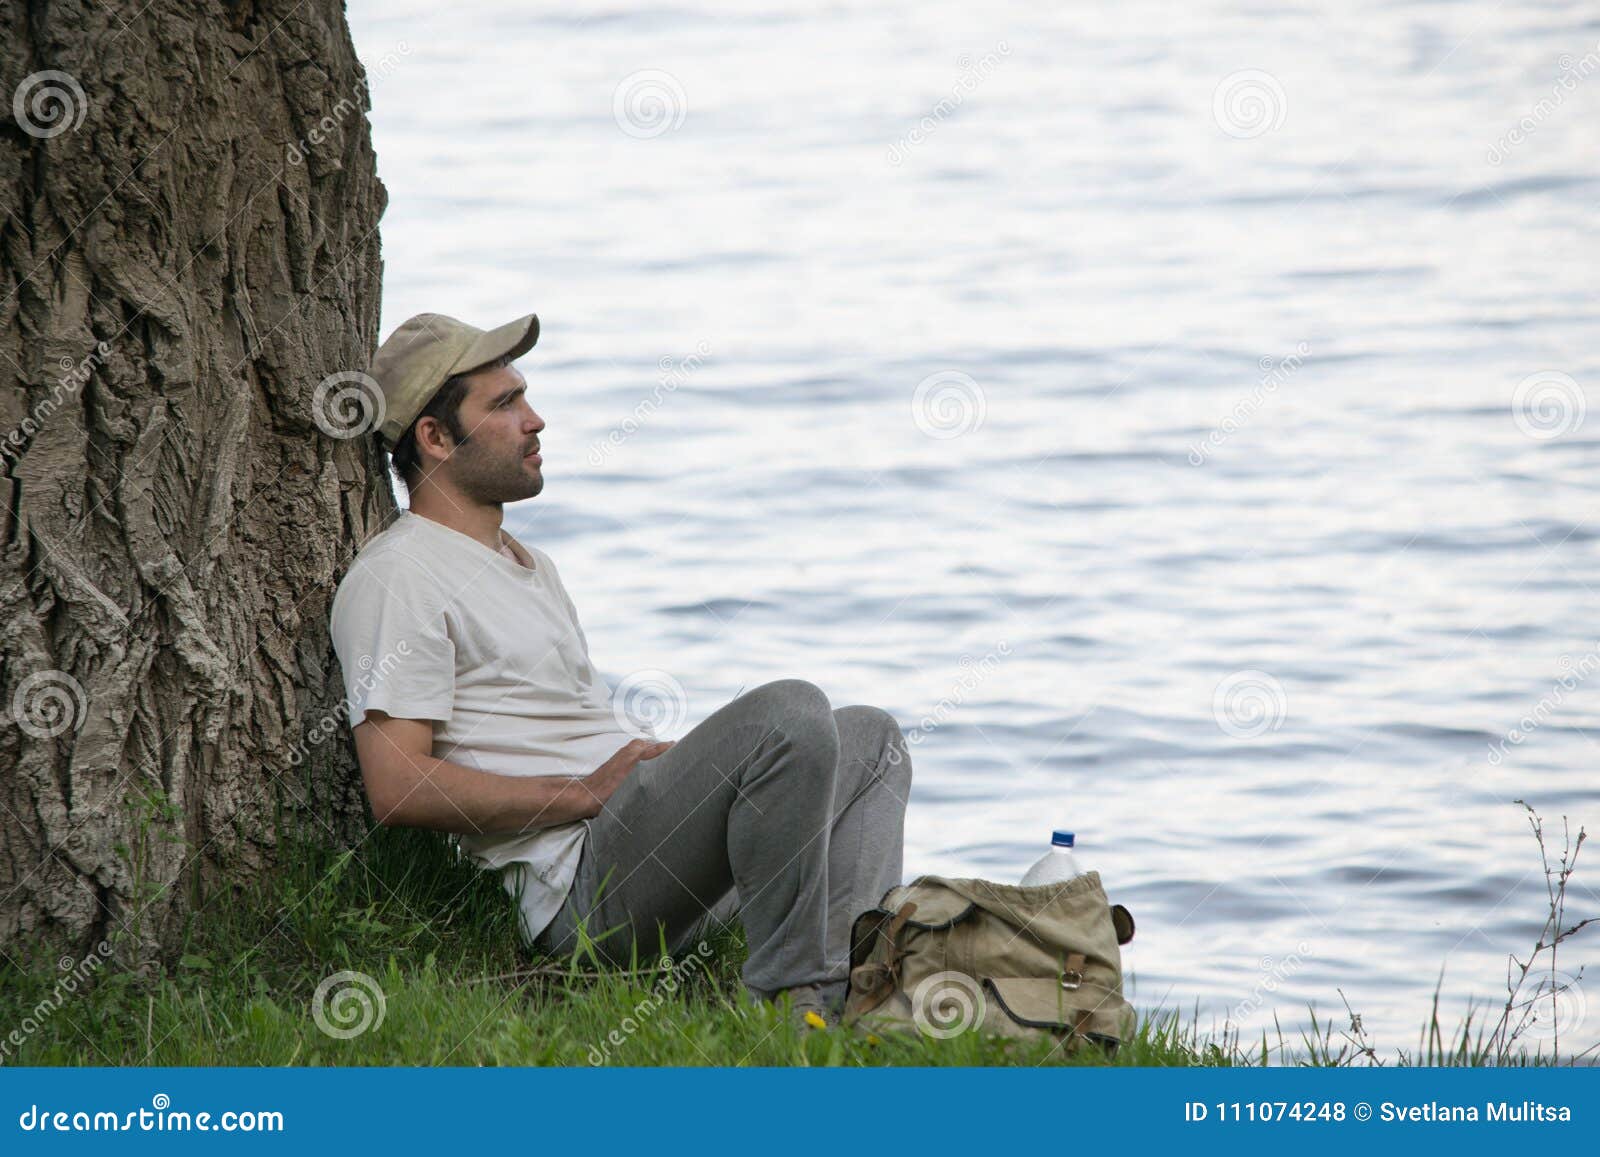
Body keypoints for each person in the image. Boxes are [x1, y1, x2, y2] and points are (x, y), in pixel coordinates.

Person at [329, 311, 912, 1026]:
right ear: (435, 436)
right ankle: (788, 1008)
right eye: (505, 404)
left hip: (641, 855)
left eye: (525, 397)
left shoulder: (530, 565)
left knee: (872, 740)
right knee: (789, 712)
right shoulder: (401, 574)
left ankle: (854, 998)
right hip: (581, 887)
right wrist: (578, 793)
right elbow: (396, 785)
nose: (535, 420)